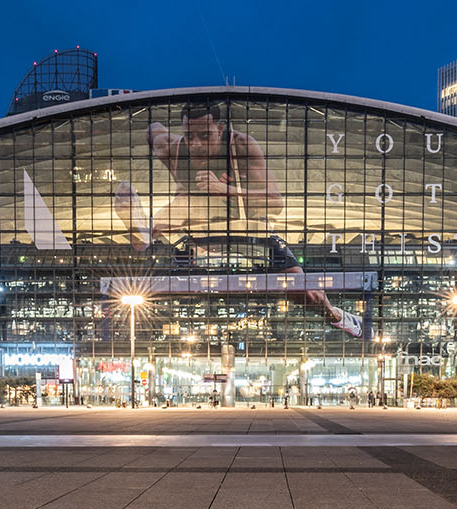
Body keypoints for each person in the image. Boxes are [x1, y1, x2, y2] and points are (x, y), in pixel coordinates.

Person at [114, 101, 363, 338]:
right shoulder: (172, 147)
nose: (197, 145)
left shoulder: (241, 146)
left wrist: (226, 190)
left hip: (252, 232)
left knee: (309, 295)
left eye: (205, 135)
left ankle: (338, 317)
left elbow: (275, 202)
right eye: (190, 136)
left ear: (220, 130)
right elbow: (152, 129)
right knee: (162, 223)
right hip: (200, 229)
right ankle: (139, 224)